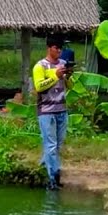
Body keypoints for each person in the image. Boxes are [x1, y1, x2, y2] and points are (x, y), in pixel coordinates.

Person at [32, 37, 71, 190]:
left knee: (58, 144)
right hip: (46, 111)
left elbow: (69, 86)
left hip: (61, 108)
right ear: (49, 48)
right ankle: (53, 178)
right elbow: (39, 87)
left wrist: (68, 76)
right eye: (57, 48)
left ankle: (44, 165)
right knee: (51, 145)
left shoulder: (62, 64)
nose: (59, 51)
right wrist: (55, 75)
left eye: (61, 49)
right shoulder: (40, 66)